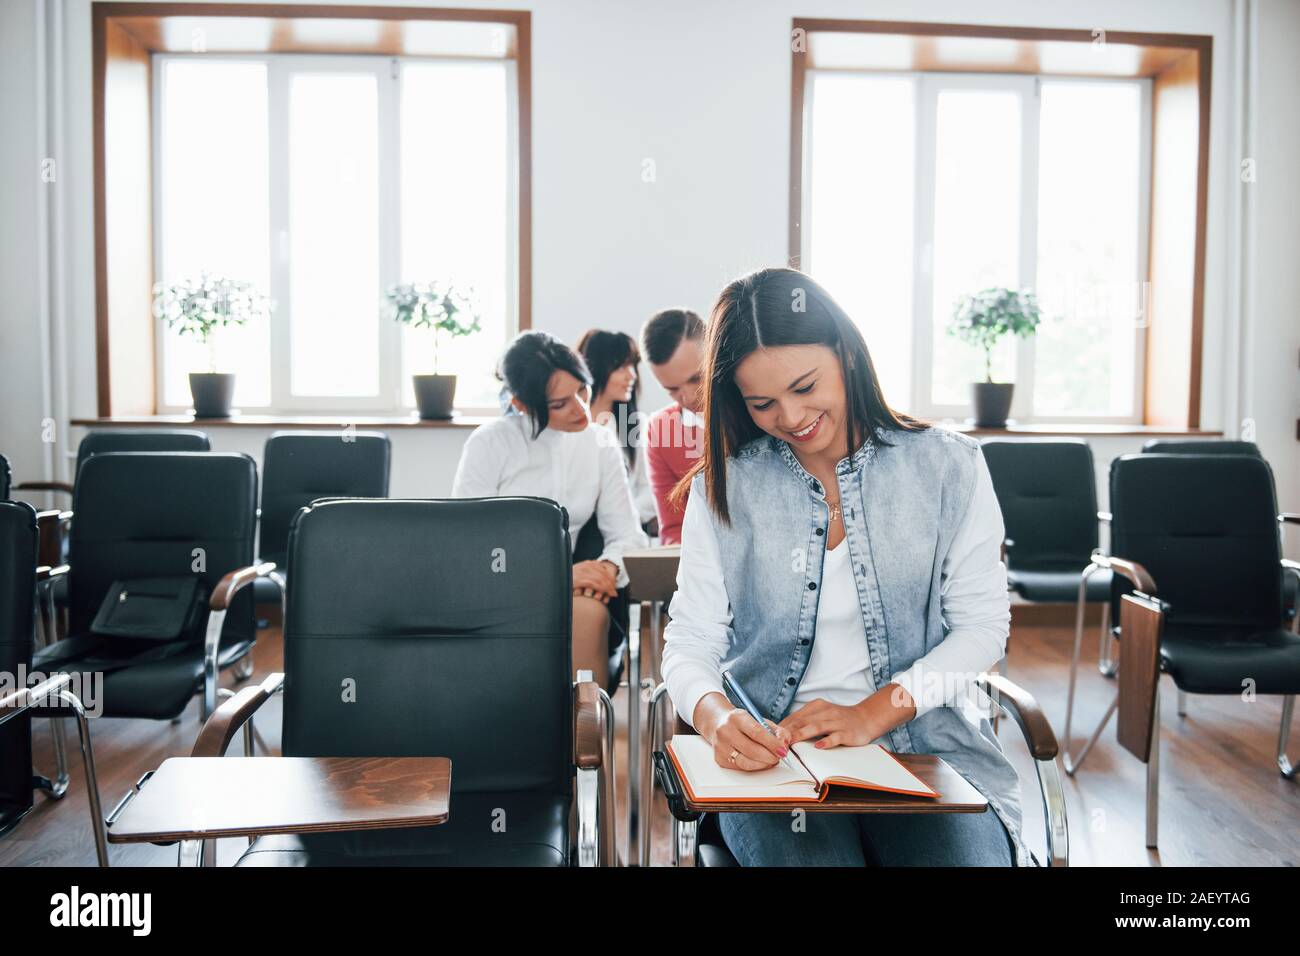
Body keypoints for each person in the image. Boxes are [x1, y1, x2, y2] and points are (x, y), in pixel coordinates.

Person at [660, 268, 1028, 866]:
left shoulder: (947, 466)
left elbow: (982, 630)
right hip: (775, 762)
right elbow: (691, 641)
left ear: (847, 355)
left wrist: (871, 715)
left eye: (806, 386)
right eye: (762, 403)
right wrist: (715, 715)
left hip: (925, 748)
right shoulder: (725, 488)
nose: (791, 416)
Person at [452, 330, 648, 688]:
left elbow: (628, 535)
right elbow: (468, 550)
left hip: (574, 595)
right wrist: (561, 578)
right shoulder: (489, 443)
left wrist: (606, 568)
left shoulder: (600, 443)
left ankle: (584, 741)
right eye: (560, 403)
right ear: (522, 404)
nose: (580, 409)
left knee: (588, 612)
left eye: (582, 390)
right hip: (499, 590)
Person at [574, 329, 657, 531]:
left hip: (622, 531)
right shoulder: (569, 425)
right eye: (621, 367)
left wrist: (618, 516)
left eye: (633, 365)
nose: (632, 375)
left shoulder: (636, 425)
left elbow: (650, 491)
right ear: (595, 369)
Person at [639, 308, 707, 545]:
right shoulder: (660, 430)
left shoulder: (757, 408)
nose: (687, 397)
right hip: (698, 569)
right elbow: (674, 529)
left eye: (696, 379)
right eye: (672, 389)